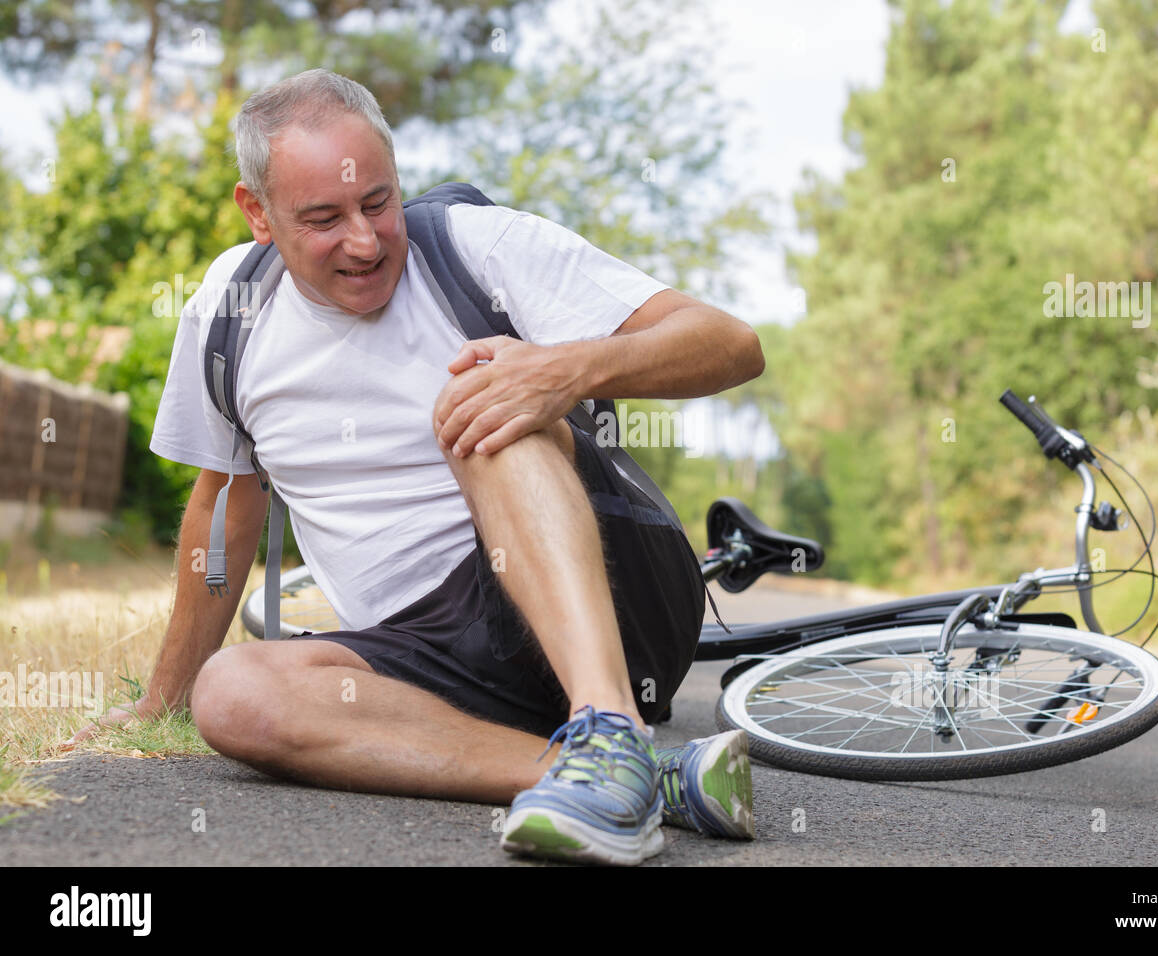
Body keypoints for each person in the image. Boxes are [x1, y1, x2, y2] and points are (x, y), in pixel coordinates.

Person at [66, 69, 764, 865]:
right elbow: (225, 504)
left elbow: (731, 343)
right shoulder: (228, 313)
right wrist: (165, 699)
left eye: (378, 203)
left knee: (482, 399)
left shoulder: (477, 245)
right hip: (428, 660)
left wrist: (567, 370)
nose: (364, 242)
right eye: (324, 218)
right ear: (257, 213)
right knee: (234, 696)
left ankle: (609, 722)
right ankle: (643, 778)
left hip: (612, 593)